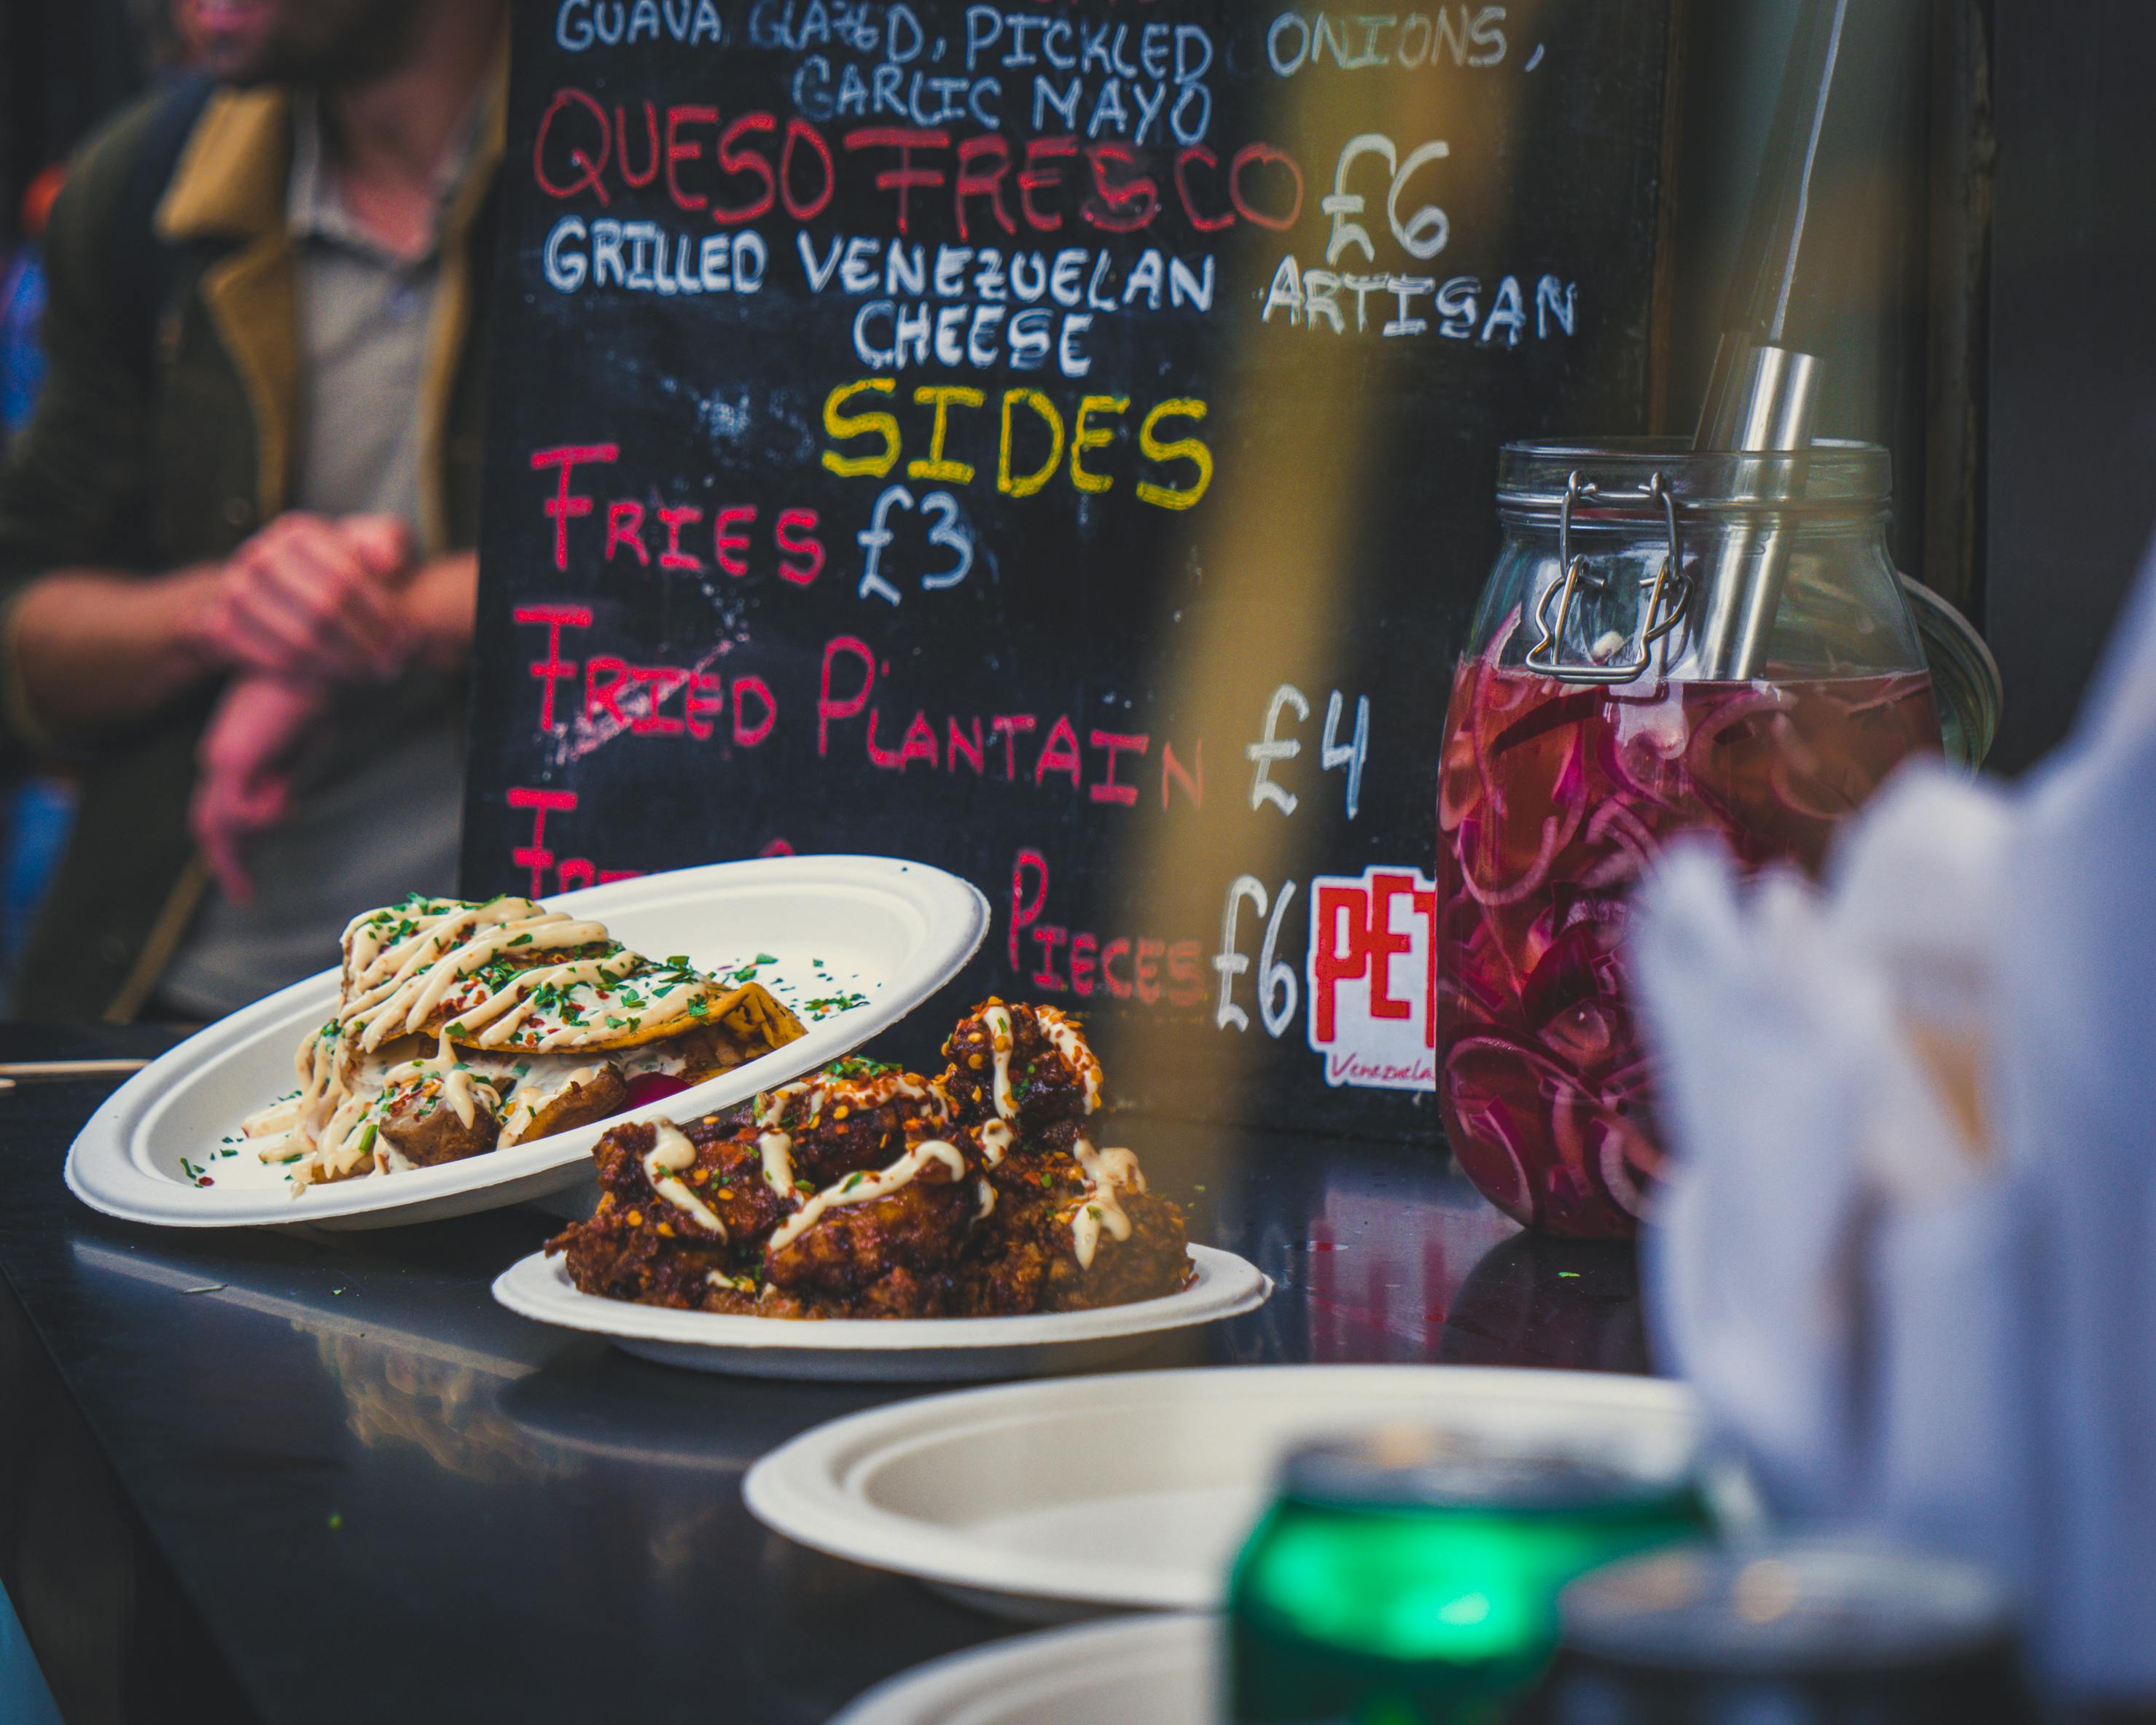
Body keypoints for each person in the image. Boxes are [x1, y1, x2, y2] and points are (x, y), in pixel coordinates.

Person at [0, 0, 505, 1021]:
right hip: (179, 991)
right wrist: (235, 610)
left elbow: (784, 565)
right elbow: (27, 625)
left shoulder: (672, 173)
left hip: (561, 1003)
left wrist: (389, 616)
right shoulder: (142, 184)